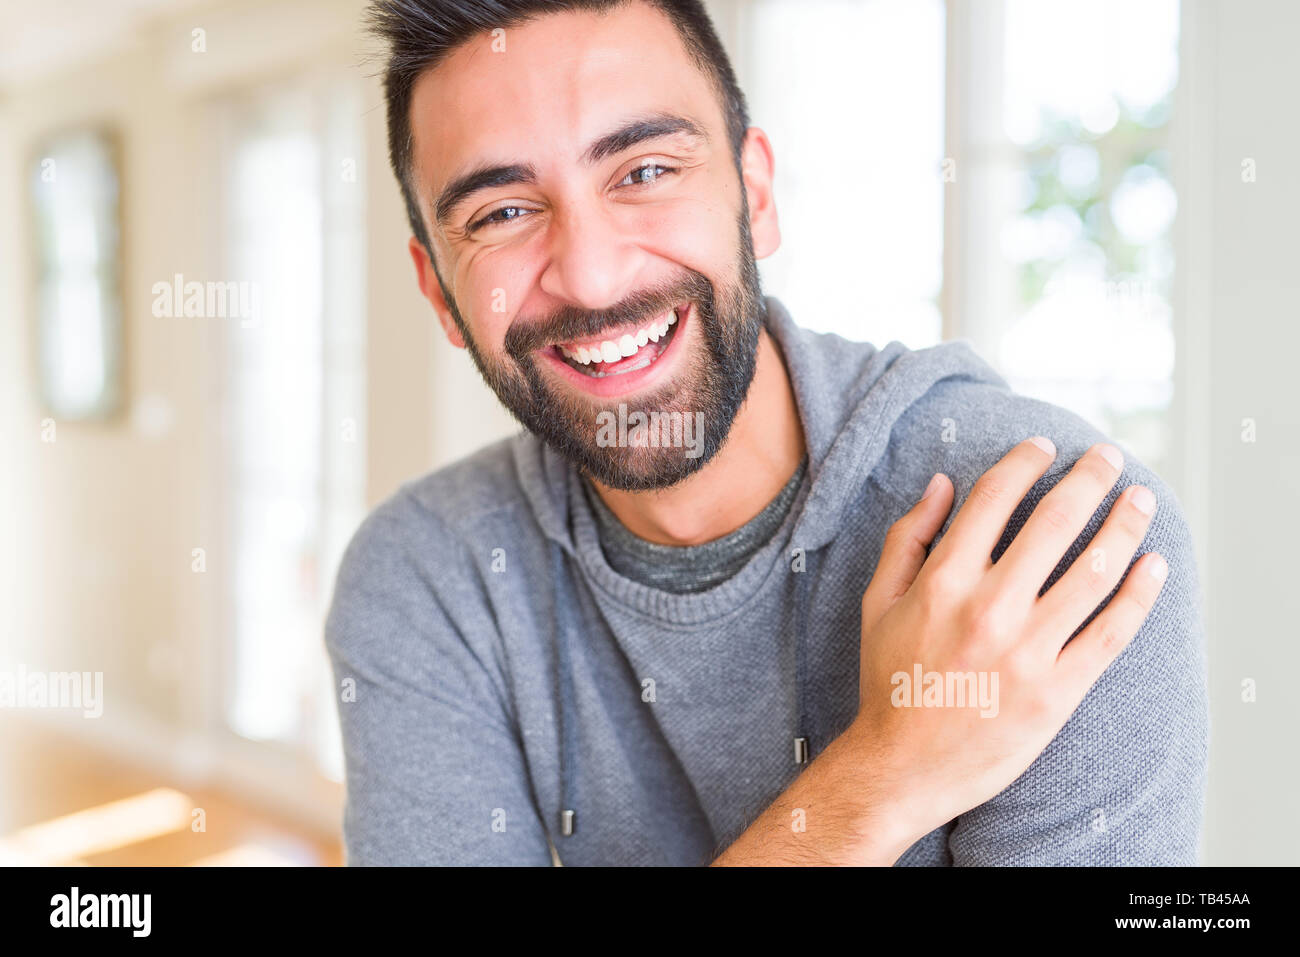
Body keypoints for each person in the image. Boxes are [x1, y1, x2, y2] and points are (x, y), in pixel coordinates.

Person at [325, 0, 1209, 865]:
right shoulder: (427, 575)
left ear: (754, 194)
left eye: (643, 171)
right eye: (502, 214)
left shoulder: (1054, 543)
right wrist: (883, 777)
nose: (592, 278)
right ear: (440, 291)